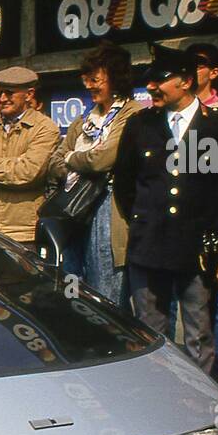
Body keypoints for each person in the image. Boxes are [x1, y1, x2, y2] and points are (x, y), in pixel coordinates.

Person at [111, 44, 218, 374]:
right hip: (148, 247)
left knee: (199, 335)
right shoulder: (139, 125)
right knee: (151, 333)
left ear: (185, 81)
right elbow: (125, 186)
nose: (151, 87)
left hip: (197, 250)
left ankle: (202, 407)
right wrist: (144, 222)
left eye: (160, 80)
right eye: (150, 80)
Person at [47, 41, 142, 306]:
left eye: (95, 80)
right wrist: (75, 160)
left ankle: (110, 343)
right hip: (74, 208)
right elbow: (54, 160)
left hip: (107, 208)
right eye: (86, 79)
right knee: (72, 280)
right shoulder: (85, 118)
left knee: (105, 290)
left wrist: (70, 158)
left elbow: (103, 159)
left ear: (116, 78)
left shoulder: (132, 113)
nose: (88, 86)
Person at [0, 66, 61, 243]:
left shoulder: (45, 128)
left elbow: (29, 173)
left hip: (21, 232)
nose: (2, 98)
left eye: (9, 93)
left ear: (29, 95)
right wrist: (12, 166)